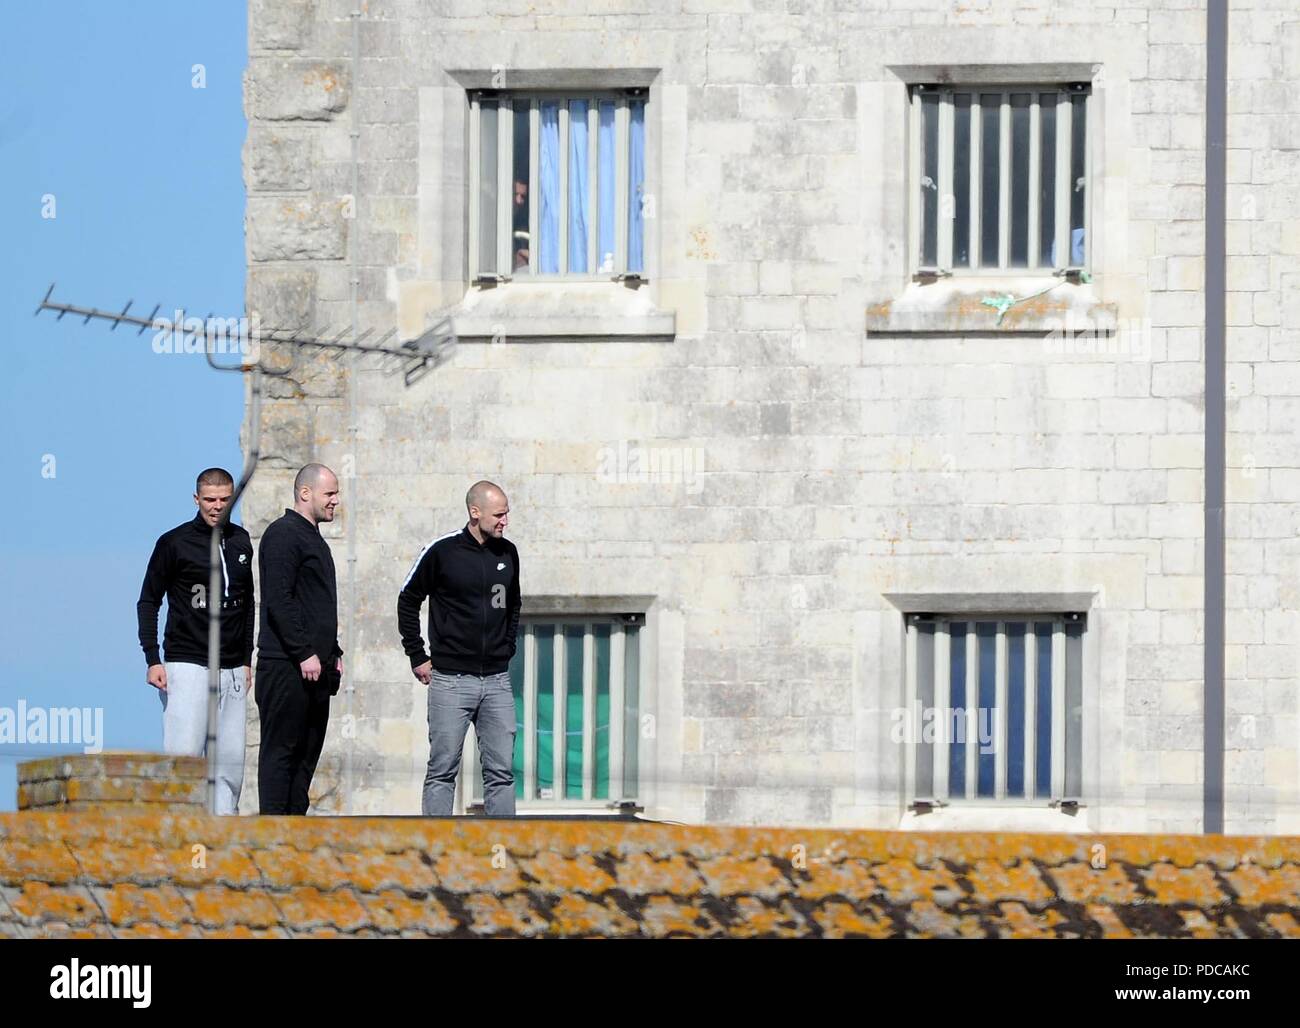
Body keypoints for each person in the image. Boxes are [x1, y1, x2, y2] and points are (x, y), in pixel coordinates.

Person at [398, 480, 521, 816]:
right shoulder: (442, 552)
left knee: (501, 773)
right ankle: (438, 857)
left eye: (507, 514)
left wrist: (506, 647)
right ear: (475, 512)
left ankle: (502, 855)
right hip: (451, 681)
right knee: (442, 770)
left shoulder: (508, 553)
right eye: (498, 514)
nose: (504, 521)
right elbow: (408, 599)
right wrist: (417, 654)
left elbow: (514, 605)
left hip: (497, 681)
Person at [136, 467, 254, 815]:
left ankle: (223, 836)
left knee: (230, 765)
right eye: (209, 500)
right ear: (196, 499)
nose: (217, 506)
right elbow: (148, 600)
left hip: (232, 669)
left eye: (223, 499)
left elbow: (247, 604)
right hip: (186, 665)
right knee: (185, 758)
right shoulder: (173, 543)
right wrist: (152, 658)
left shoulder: (241, 541)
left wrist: (246, 660)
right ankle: (179, 833)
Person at [255, 463, 343, 815]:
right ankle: (273, 838)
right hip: (286, 668)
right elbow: (279, 598)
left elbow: (316, 604)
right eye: (330, 493)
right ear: (305, 493)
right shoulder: (283, 534)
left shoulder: (315, 540)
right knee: (281, 754)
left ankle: (294, 839)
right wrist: (303, 651)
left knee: (305, 759)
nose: (335, 500)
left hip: (317, 672)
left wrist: (332, 653)